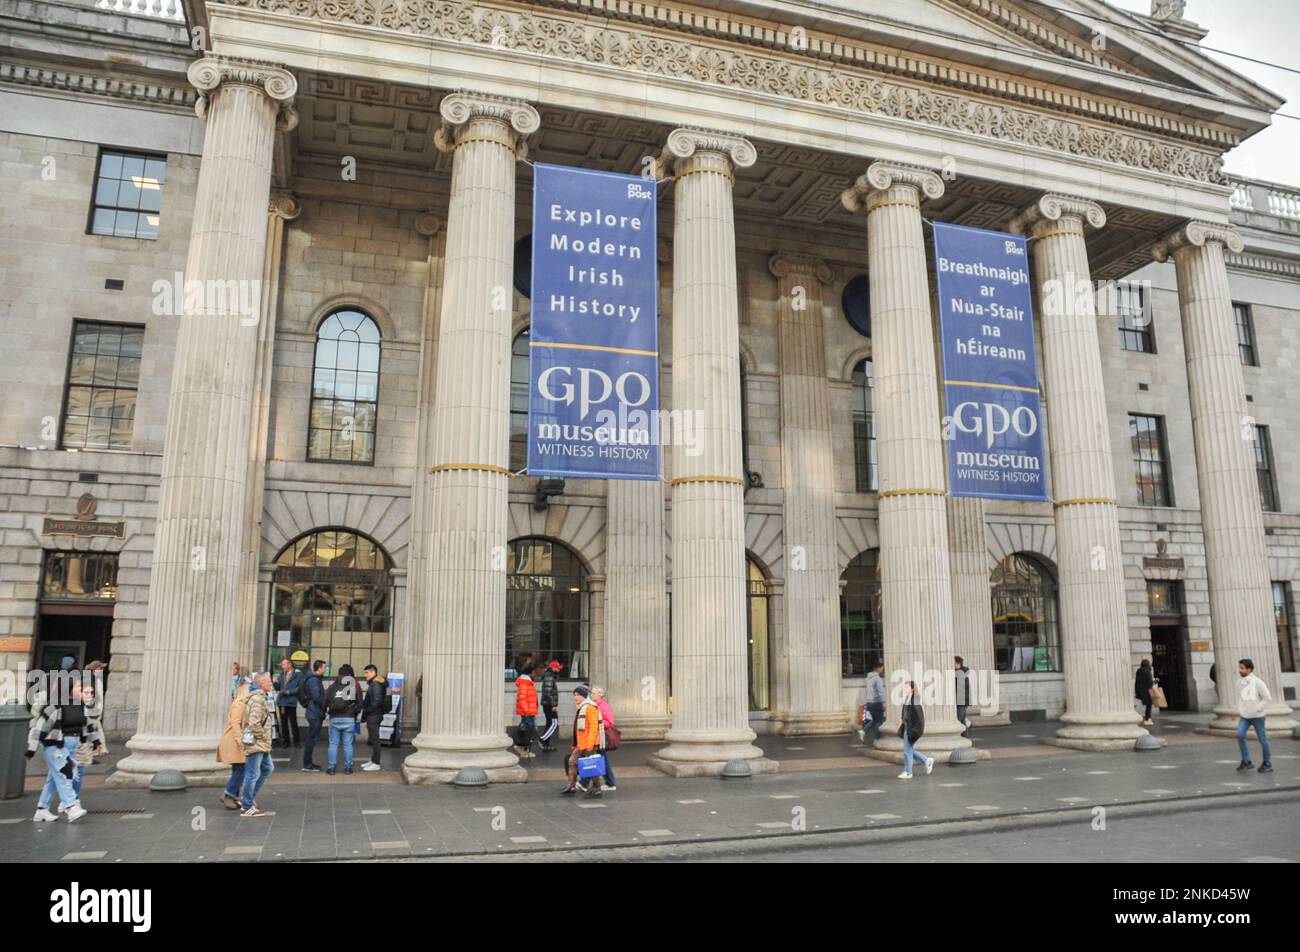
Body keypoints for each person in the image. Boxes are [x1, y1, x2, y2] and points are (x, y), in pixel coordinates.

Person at [26, 673, 102, 822]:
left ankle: (42, 809)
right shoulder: (54, 707)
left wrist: (97, 742)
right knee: (65, 774)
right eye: (79, 687)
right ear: (68, 689)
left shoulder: (80, 706)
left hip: (72, 744)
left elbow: (88, 726)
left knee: (54, 779)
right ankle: (71, 806)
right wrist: (31, 750)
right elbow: (39, 729)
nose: (83, 690)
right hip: (55, 746)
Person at [240, 672, 276, 817]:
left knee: (267, 768)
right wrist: (262, 737)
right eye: (268, 681)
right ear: (261, 683)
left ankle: (248, 798)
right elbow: (254, 723)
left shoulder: (260, 697)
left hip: (260, 743)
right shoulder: (257, 699)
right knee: (252, 774)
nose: (271, 683)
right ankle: (247, 806)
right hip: (257, 743)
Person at [560, 685, 604, 798]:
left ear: (583, 696)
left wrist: (590, 745)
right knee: (572, 762)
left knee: (592, 766)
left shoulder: (590, 707)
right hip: (581, 743)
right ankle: (571, 786)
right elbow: (577, 729)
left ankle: (597, 788)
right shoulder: (581, 707)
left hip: (589, 744)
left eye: (577, 695)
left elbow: (594, 727)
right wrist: (575, 744)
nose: (575, 697)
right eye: (574, 695)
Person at [217, 680, 253, 810]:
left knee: (239, 769)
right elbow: (235, 724)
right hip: (234, 741)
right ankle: (229, 794)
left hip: (237, 741)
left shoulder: (244, 703)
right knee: (240, 769)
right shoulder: (239, 704)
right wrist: (240, 741)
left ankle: (232, 796)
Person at [1235, 658, 1273, 774]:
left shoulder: (1258, 682)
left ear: (1249, 669)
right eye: (1239, 667)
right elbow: (1240, 699)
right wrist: (1241, 709)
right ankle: (1246, 761)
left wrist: (1257, 708)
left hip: (1258, 717)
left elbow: (1267, 698)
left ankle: (1267, 763)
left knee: (1263, 740)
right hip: (1244, 716)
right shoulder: (1239, 683)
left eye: (1242, 668)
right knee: (1240, 735)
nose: (1239, 670)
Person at [325, 664, 361, 775]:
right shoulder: (353, 686)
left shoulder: (332, 686)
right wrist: (354, 712)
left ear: (339, 674)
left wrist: (329, 711)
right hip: (349, 719)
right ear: (349, 675)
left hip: (334, 718)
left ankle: (331, 768)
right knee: (348, 745)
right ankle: (348, 768)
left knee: (333, 744)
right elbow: (360, 704)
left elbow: (325, 701)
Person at [897, 680, 934, 780]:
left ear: (912, 689)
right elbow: (905, 713)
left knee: (907, 751)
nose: (904, 689)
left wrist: (915, 731)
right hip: (906, 727)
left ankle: (908, 772)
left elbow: (919, 718)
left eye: (907, 687)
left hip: (911, 729)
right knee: (909, 750)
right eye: (904, 687)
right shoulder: (907, 699)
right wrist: (901, 721)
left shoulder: (915, 701)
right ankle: (926, 761)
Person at [300, 660, 327, 772]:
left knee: (312, 739)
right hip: (315, 713)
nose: (325, 669)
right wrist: (326, 703)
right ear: (319, 668)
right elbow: (316, 697)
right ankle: (307, 764)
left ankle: (308, 763)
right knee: (311, 739)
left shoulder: (313, 679)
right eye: (324, 667)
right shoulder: (314, 680)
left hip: (314, 712)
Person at [360, 664, 386, 772]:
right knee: (373, 738)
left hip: (374, 715)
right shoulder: (376, 682)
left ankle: (376, 763)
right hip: (374, 714)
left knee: (375, 739)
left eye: (367, 672)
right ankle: (373, 760)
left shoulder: (375, 684)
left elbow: (377, 701)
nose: (365, 675)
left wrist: (368, 709)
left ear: (373, 672)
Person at [591, 686, 617, 792]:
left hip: (601, 737)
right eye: (591, 693)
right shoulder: (595, 705)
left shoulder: (603, 706)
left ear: (600, 695)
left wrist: (598, 722)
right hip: (597, 736)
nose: (591, 694)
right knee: (602, 759)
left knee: (601, 759)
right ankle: (610, 782)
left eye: (593, 693)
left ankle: (584, 782)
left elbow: (611, 722)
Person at [274, 657, 303, 749]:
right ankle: (285, 741)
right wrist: (275, 682)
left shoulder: (298, 674)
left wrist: (290, 692)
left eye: (284, 664)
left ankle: (296, 741)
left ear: (289, 664)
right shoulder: (282, 674)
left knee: (293, 722)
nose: (282, 667)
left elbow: (301, 687)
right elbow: (278, 688)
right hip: (282, 702)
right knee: (283, 722)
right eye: (282, 665)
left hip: (291, 701)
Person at [514, 664, 540, 759]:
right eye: (534, 672)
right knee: (529, 731)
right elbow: (522, 699)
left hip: (530, 711)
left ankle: (521, 747)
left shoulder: (528, 683)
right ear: (530, 673)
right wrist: (527, 711)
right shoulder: (525, 684)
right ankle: (525, 750)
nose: (535, 674)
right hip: (528, 712)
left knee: (526, 729)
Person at [537, 660, 561, 752]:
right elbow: (548, 692)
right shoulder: (550, 677)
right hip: (549, 704)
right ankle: (542, 739)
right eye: (558, 668)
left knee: (549, 724)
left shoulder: (549, 676)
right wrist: (553, 704)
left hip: (547, 704)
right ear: (554, 668)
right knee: (554, 724)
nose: (559, 670)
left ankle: (546, 745)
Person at [862, 660, 886, 746]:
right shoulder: (877, 679)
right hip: (877, 703)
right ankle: (877, 740)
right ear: (878, 668)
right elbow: (880, 692)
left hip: (869, 703)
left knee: (875, 720)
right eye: (882, 667)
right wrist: (883, 703)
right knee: (881, 722)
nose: (883, 669)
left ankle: (863, 731)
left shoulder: (867, 678)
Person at [1135, 658, 1156, 726]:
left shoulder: (1138, 671)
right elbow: (1150, 682)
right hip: (1147, 691)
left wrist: (1137, 691)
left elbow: (1137, 682)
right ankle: (1147, 719)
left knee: (1146, 704)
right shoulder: (1147, 671)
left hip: (1140, 690)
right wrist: (1155, 681)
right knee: (1149, 705)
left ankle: (1146, 718)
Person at [954, 656, 971, 735]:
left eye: (953, 662)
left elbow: (958, 689)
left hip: (962, 701)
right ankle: (965, 737)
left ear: (958, 663)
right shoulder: (961, 673)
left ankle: (958, 738)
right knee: (962, 720)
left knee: (958, 721)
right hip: (963, 701)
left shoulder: (960, 674)